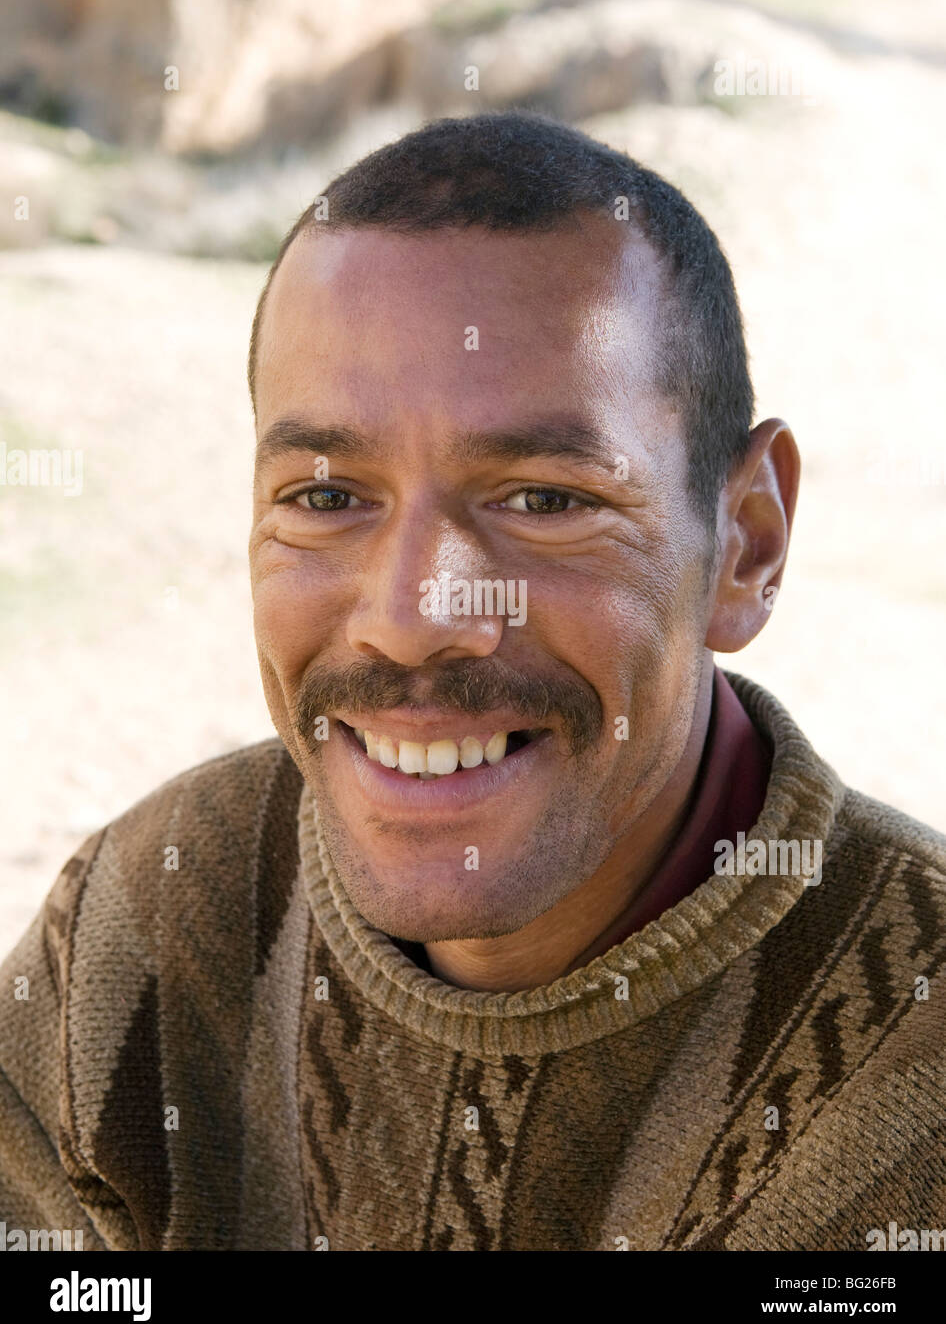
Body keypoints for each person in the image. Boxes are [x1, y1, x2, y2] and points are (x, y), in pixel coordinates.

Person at [2, 111, 944, 1251]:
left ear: (744, 544)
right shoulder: (143, 926)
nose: (410, 621)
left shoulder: (911, 1072)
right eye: (325, 496)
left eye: (544, 500)